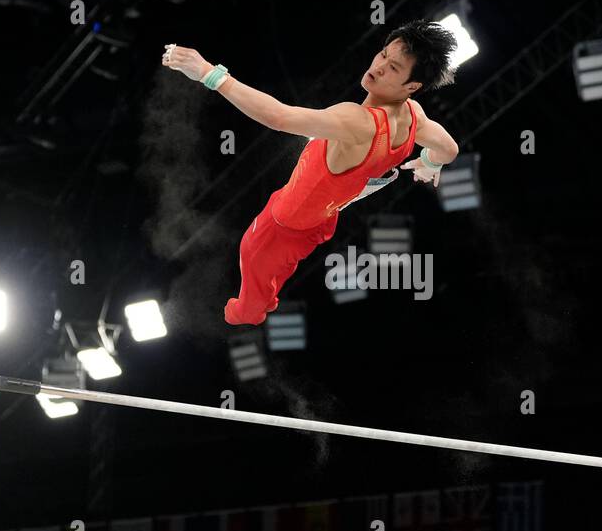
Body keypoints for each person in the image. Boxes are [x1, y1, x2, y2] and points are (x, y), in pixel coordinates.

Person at [162, 20, 460, 325]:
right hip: (321, 218)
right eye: (383, 54)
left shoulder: (360, 122)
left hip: (284, 224)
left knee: (247, 285)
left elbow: (279, 117)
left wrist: (210, 74)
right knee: (277, 256)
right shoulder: (414, 116)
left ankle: (249, 314)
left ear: (412, 86)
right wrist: (431, 162)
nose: (380, 66)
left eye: (394, 68)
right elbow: (449, 149)